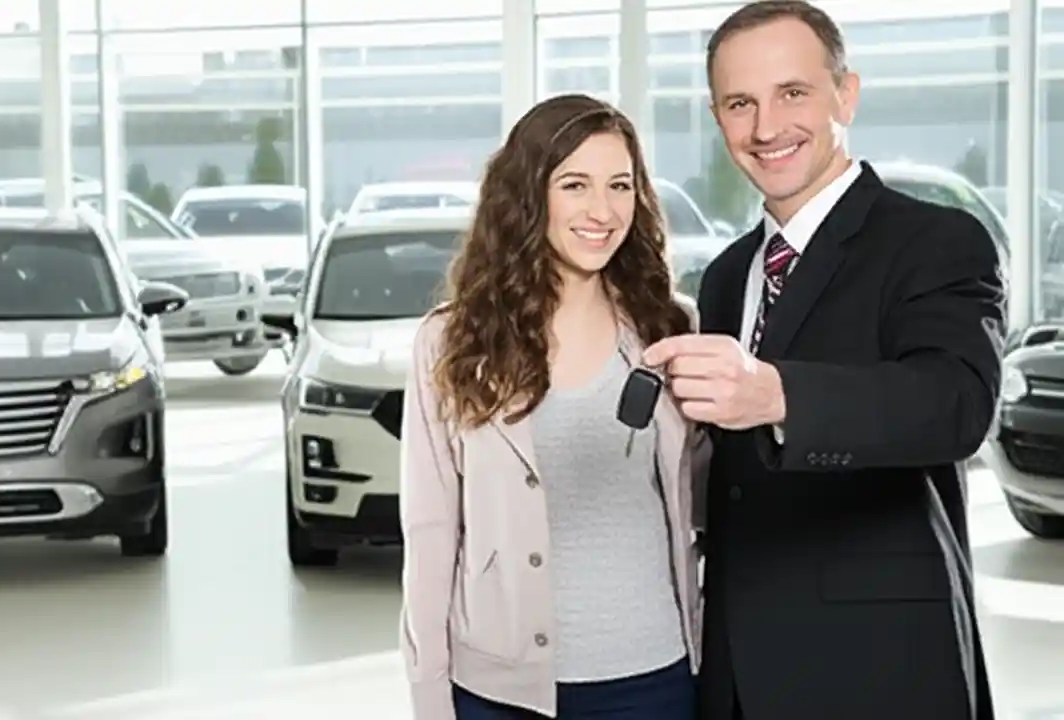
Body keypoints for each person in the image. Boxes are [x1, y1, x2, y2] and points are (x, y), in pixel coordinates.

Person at [641, 2, 1003, 719]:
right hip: (738, 666)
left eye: (792, 94)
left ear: (847, 93)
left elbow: (955, 404)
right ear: (718, 119)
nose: (766, 128)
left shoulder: (934, 240)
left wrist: (778, 396)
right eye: (740, 104)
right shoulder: (725, 275)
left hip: (876, 663)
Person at [398, 93, 709, 720]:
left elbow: (703, 502)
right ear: (529, 195)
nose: (602, 210)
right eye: (575, 184)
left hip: (653, 675)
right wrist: (430, 698)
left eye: (620, 185)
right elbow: (430, 537)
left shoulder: (670, 329)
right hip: (499, 689)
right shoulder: (450, 342)